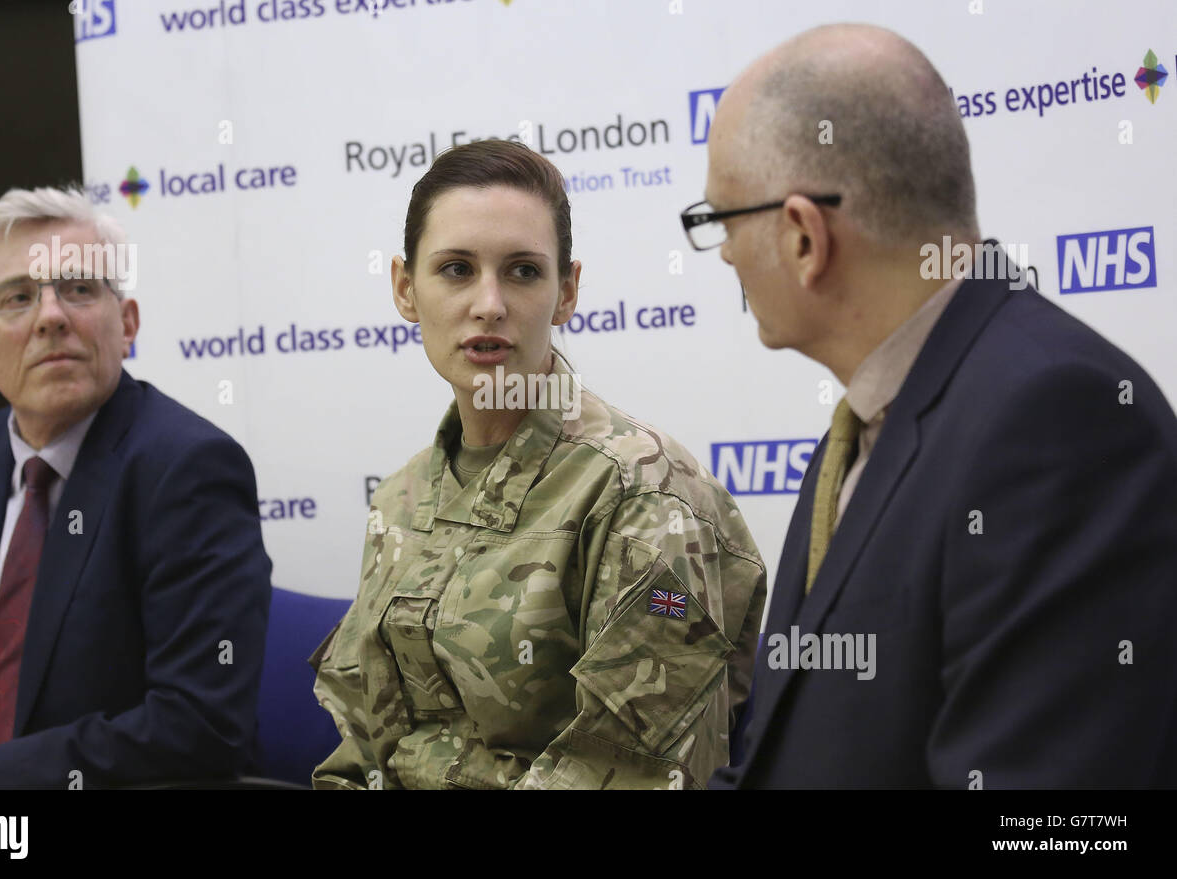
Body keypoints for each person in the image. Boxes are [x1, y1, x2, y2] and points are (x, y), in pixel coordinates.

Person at [690, 24, 1177, 788]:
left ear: (803, 237)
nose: (720, 252)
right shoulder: (859, 431)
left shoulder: (1059, 423)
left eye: (721, 220)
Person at [311, 140, 767, 789]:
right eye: (457, 269)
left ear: (567, 291)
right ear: (405, 289)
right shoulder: (400, 500)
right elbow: (360, 747)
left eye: (523, 271)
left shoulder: (644, 491)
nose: (489, 304)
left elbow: (633, 776)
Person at [0, 187, 273, 789]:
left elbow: (200, 723)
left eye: (80, 288)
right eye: (15, 297)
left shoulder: (188, 468)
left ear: (128, 324)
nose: (52, 316)